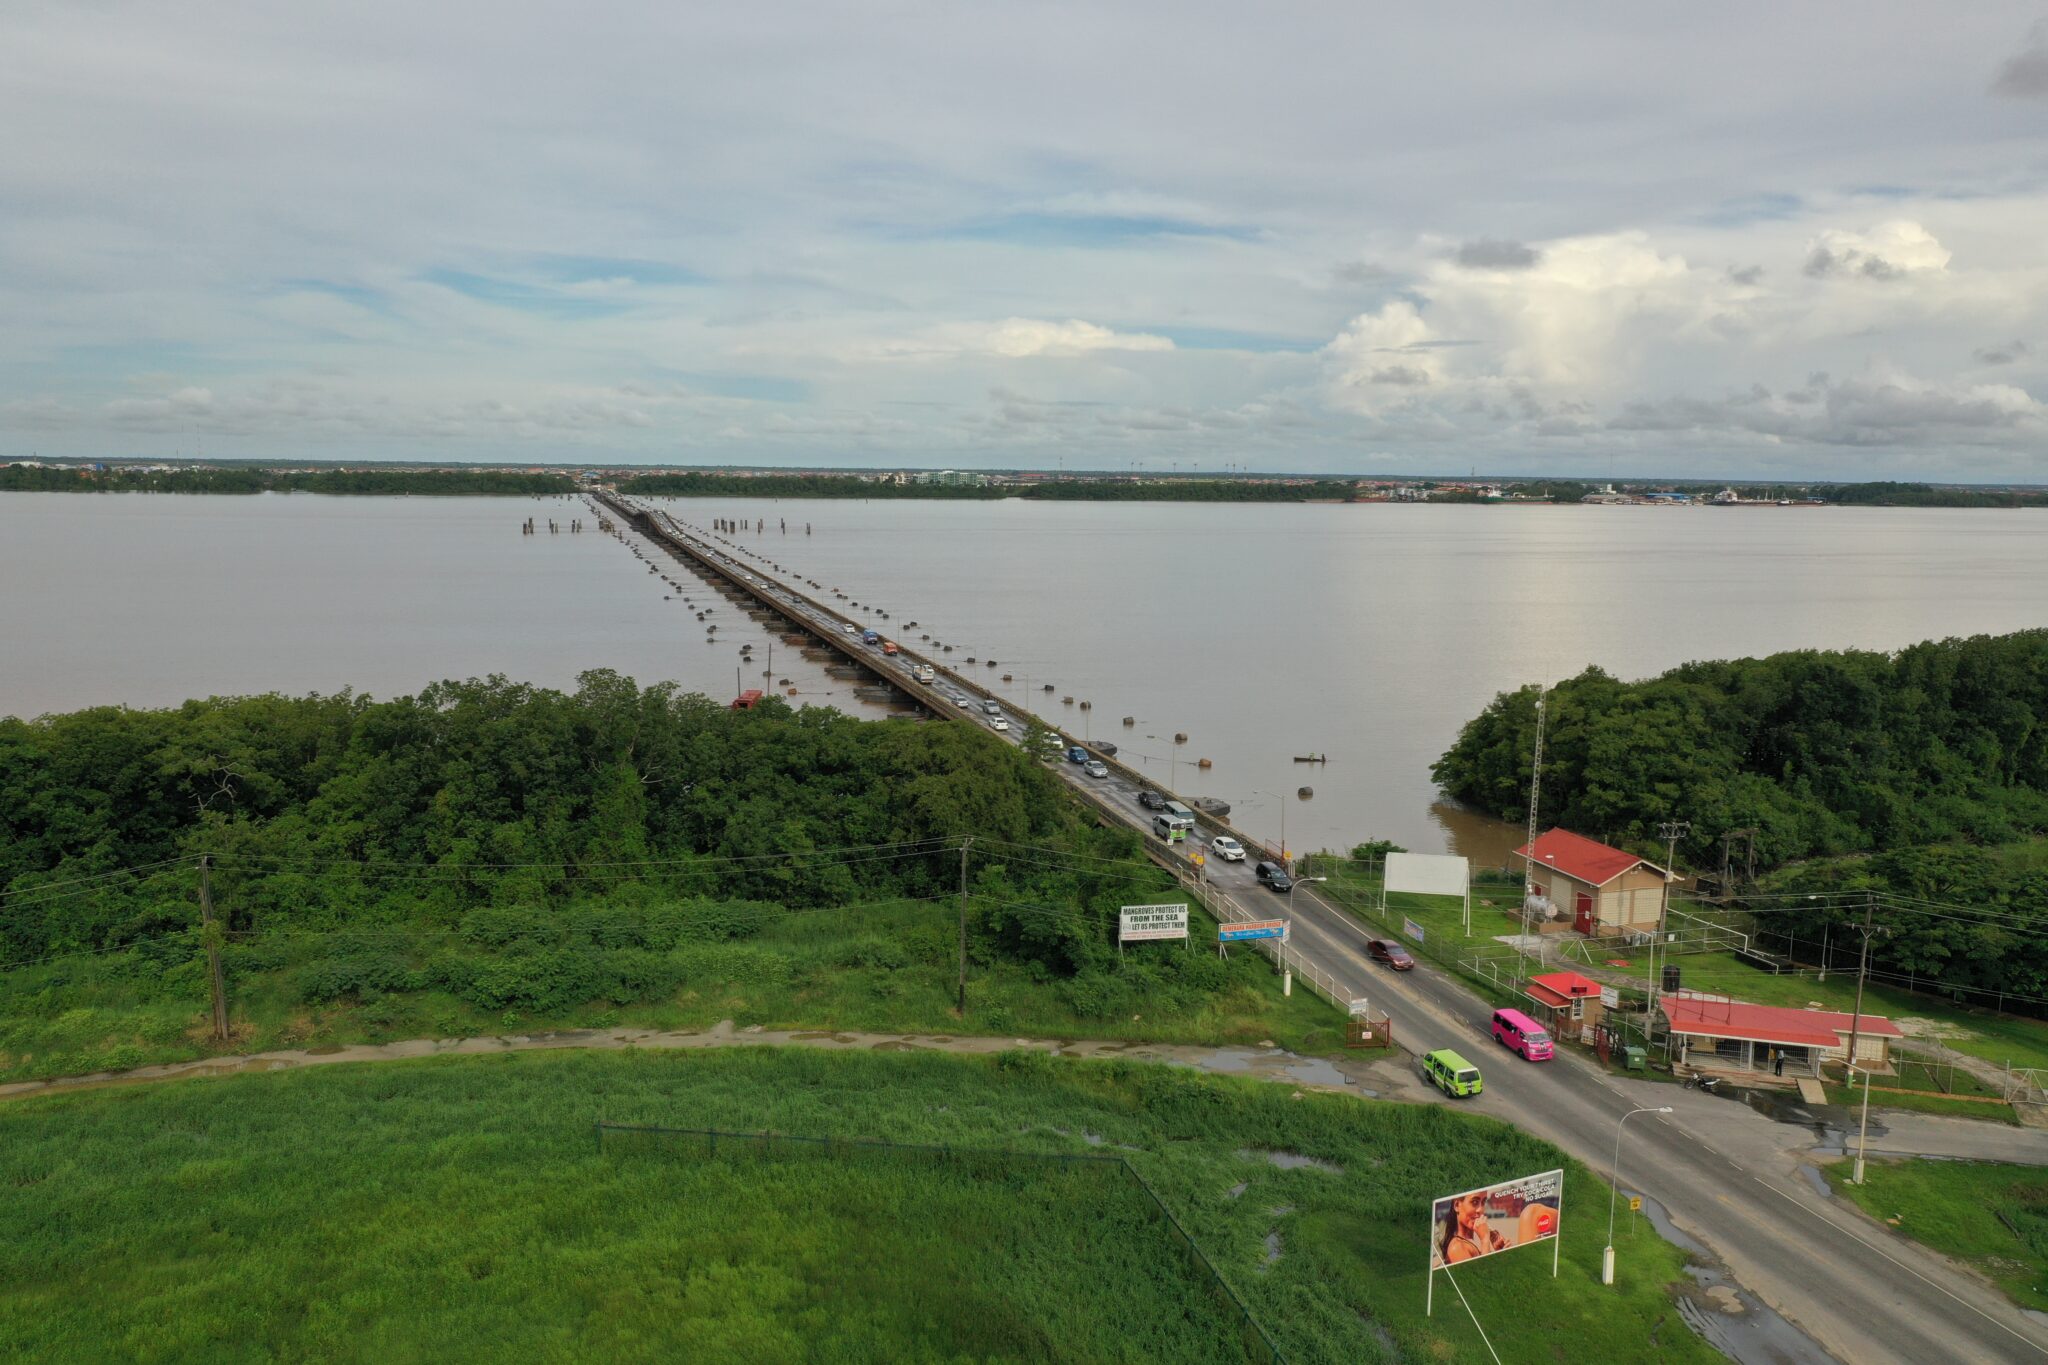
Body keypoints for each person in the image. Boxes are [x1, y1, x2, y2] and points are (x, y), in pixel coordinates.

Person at [1435, 1191, 1511, 1266]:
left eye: (1483, 1202)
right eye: (1474, 1202)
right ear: (1457, 1205)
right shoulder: (1457, 1248)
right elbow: (1482, 1277)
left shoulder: (1469, 1243)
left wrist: (1500, 1253)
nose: (1480, 1210)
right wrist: (1485, 1240)